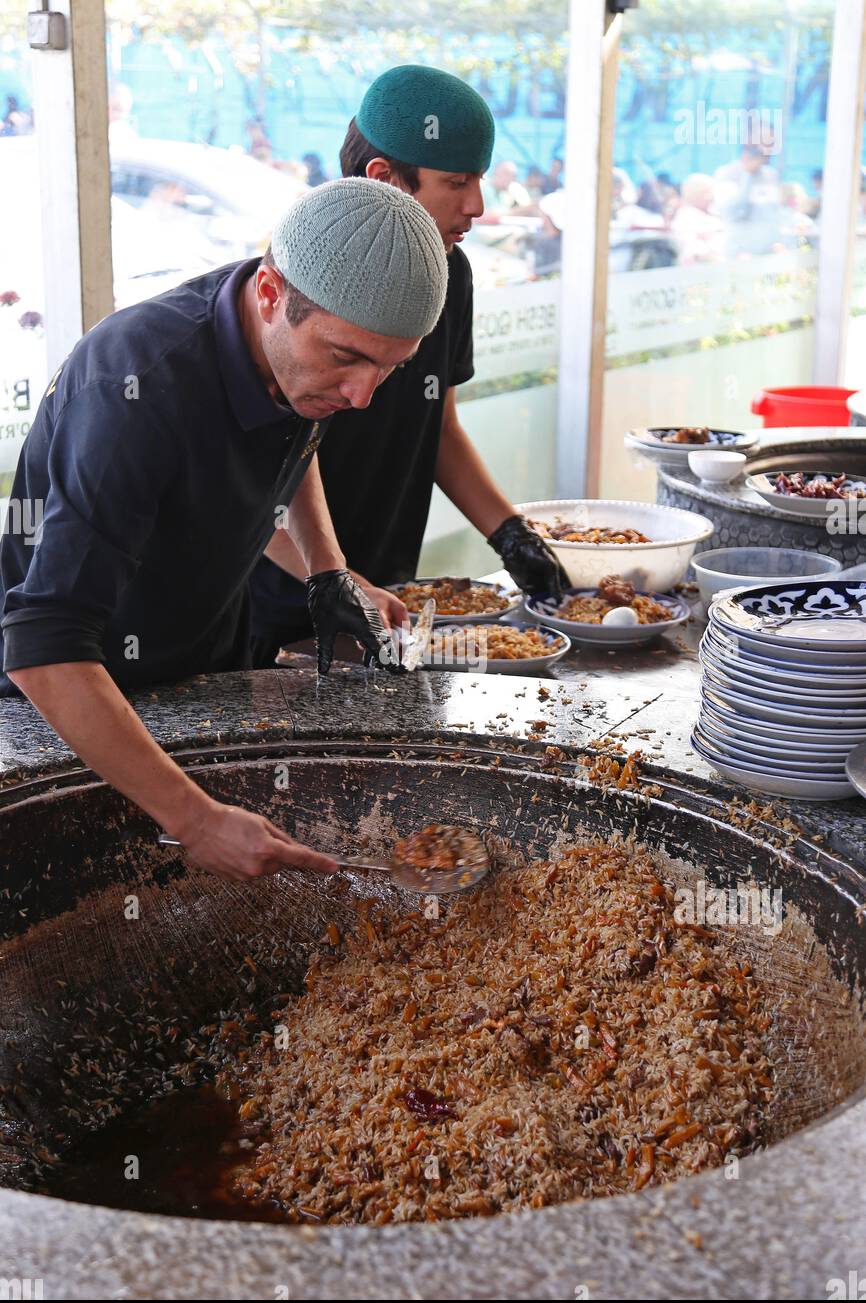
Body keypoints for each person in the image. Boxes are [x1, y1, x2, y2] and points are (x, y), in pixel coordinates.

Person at [0, 178, 448, 882]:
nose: (362, 396)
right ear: (271, 295)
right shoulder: (133, 392)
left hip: (196, 671)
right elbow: (42, 648)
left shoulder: (290, 348)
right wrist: (193, 819)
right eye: (348, 359)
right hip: (73, 711)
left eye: (390, 370)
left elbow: (287, 443)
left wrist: (328, 568)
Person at [248, 65, 567, 667]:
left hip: (395, 586)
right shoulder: (302, 287)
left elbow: (438, 428)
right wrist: (330, 577)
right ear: (384, 178)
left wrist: (510, 534)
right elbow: (259, 475)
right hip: (285, 600)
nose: (477, 205)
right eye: (457, 182)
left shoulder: (453, 273)